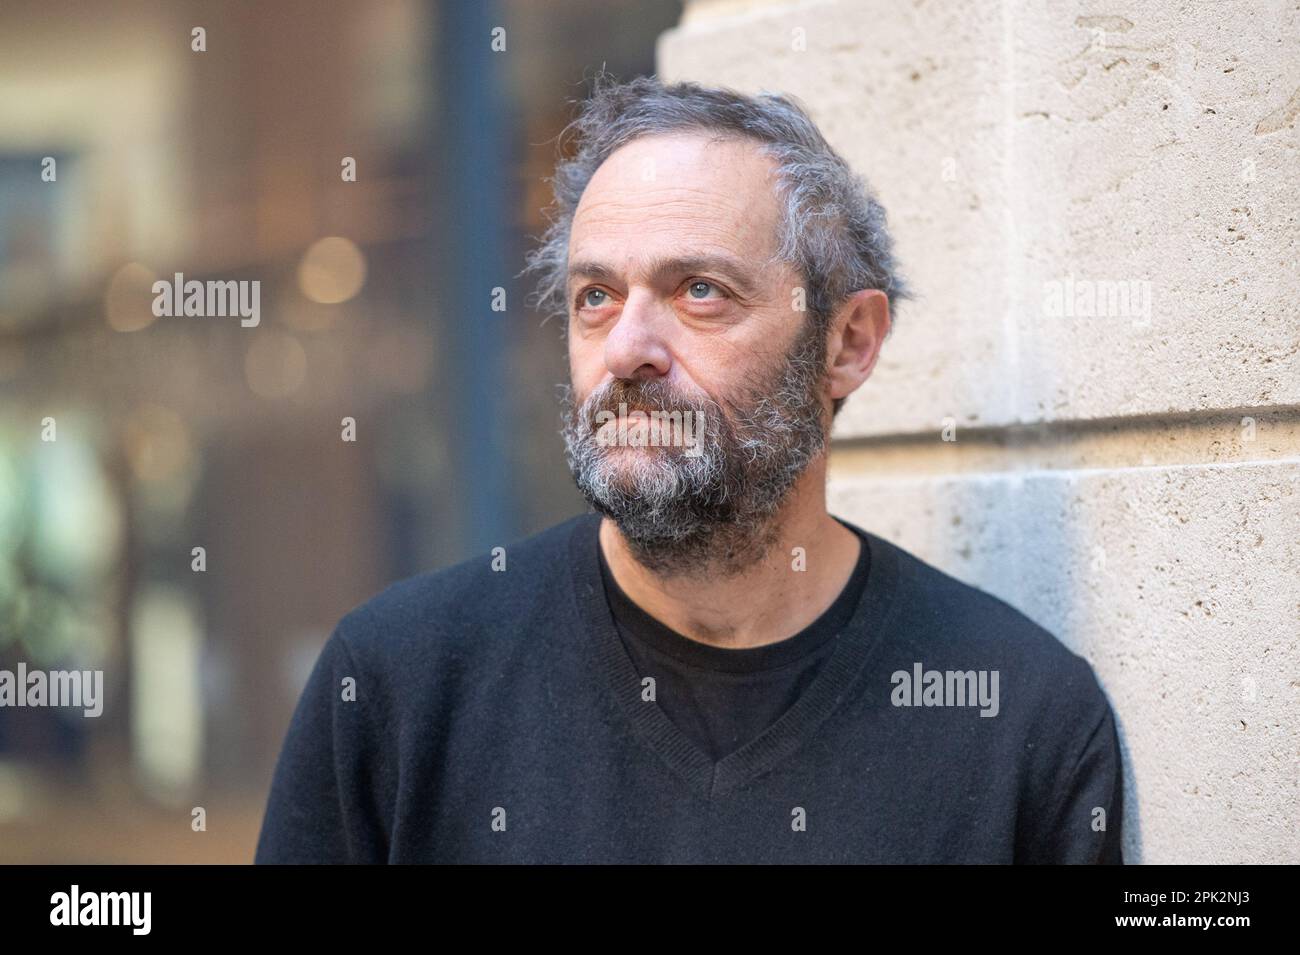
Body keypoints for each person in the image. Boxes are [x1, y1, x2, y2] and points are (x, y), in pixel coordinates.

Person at [255, 74, 1124, 864]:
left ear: (849, 341)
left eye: (699, 290)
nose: (627, 349)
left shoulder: (1018, 719)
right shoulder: (398, 684)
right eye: (595, 296)